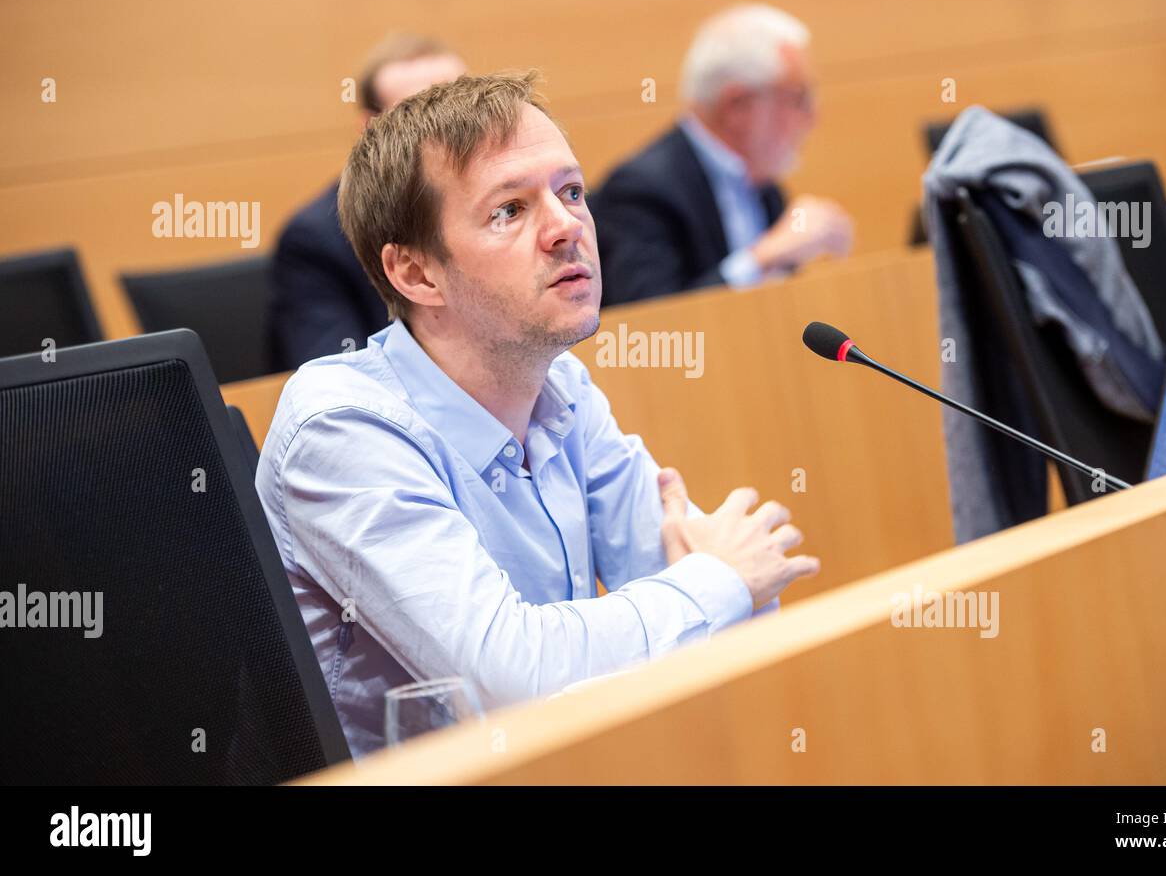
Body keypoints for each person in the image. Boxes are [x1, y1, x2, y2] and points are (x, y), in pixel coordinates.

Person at [254, 71, 820, 755]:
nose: (566, 228)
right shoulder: (342, 429)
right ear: (415, 273)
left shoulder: (563, 388)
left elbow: (738, 619)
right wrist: (714, 580)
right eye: (510, 210)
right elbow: (511, 682)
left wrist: (713, 589)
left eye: (571, 191)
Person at [591, 4, 853, 306]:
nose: (812, 117)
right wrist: (762, 258)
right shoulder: (642, 191)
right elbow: (651, 325)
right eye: (797, 98)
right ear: (738, 106)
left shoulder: (765, 189)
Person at [267, 33, 467, 369]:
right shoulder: (315, 239)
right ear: (371, 128)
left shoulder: (499, 210)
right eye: (421, 113)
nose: (452, 130)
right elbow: (337, 373)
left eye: (461, 106)